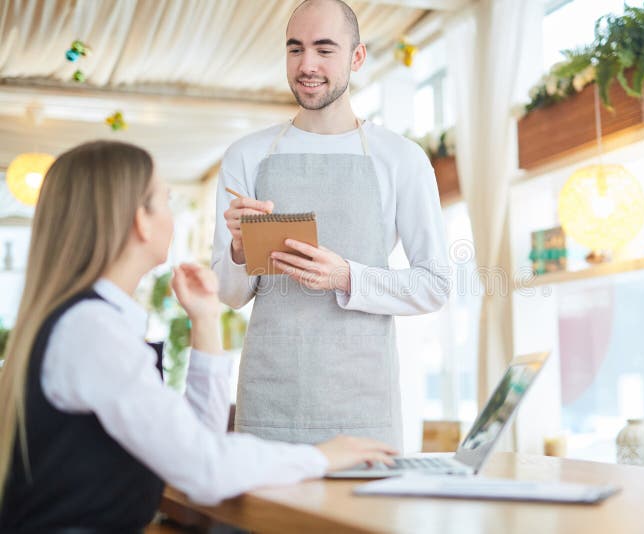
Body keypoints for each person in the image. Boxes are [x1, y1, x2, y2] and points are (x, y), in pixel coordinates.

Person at [0, 141, 396, 532]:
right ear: (141, 220)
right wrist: (321, 458)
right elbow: (204, 469)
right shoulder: (91, 331)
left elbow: (194, 443)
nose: (172, 214)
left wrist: (205, 319)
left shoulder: (87, 322)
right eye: (166, 199)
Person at [212, 0, 450, 451]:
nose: (307, 65)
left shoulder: (400, 158)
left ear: (357, 58)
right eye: (295, 49)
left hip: (362, 406)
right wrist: (239, 250)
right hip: (269, 401)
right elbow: (229, 294)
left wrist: (345, 276)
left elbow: (435, 284)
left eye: (324, 49)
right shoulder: (246, 155)